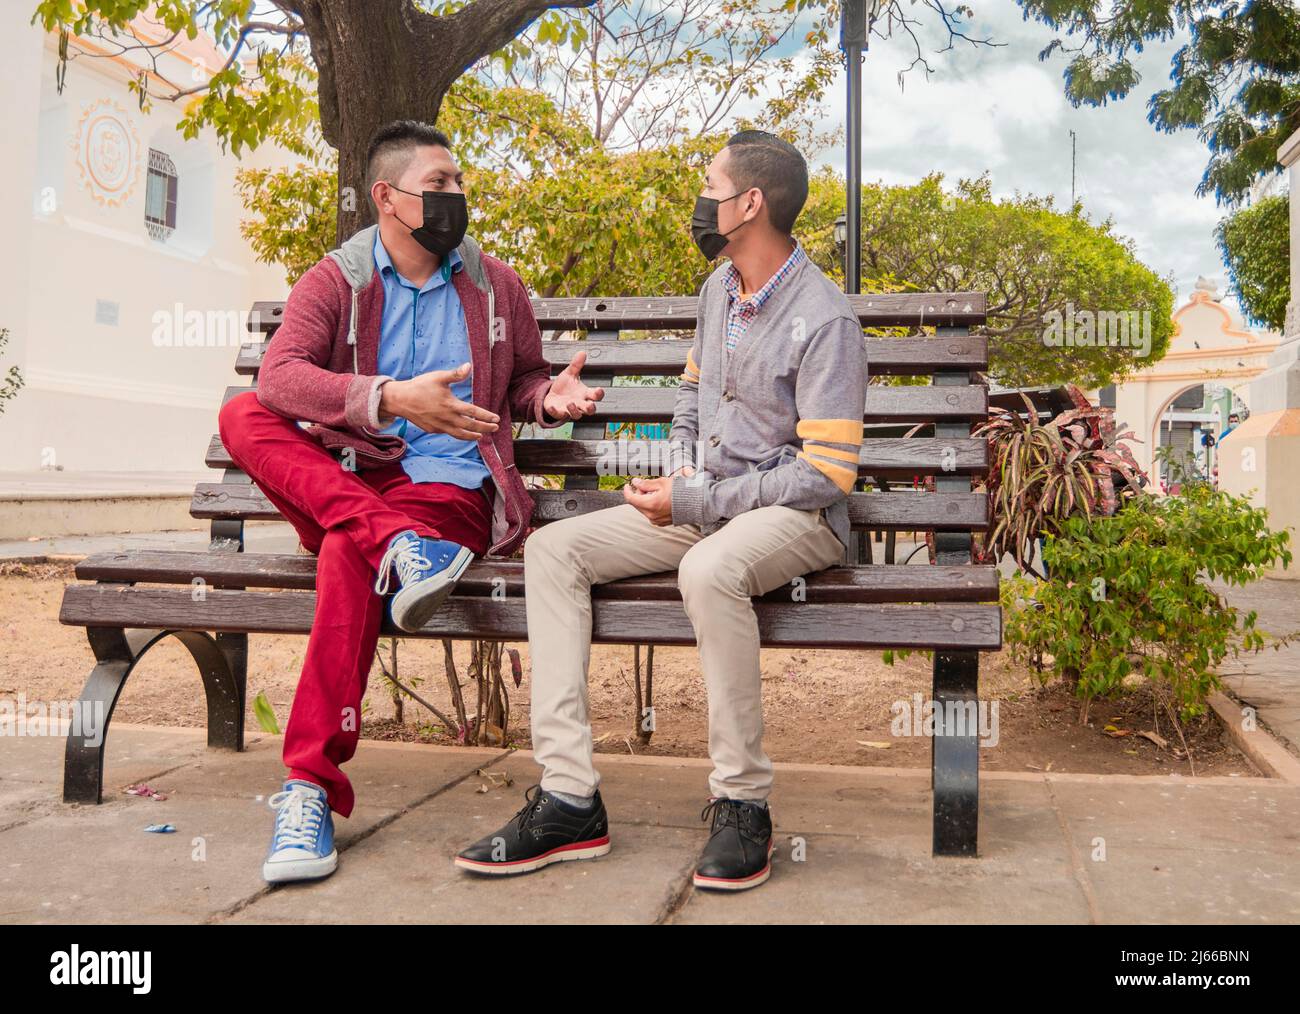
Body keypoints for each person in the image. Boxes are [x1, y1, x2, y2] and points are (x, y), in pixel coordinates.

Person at [455, 130, 868, 891]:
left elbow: (827, 474)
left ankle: (743, 805)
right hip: (704, 505)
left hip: (795, 518)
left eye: (711, 185)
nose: (700, 200)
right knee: (552, 550)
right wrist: (679, 467)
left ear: (750, 203)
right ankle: (569, 798)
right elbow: (689, 394)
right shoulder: (719, 293)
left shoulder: (825, 317)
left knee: (709, 570)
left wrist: (699, 497)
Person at [218, 120, 603, 884]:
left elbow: (525, 378)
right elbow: (281, 379)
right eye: (439, 185)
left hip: (444, 491)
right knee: (241, 413)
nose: (457, 195)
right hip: (352, 481)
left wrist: (547, 398)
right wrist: (390, 398)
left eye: (459, 182)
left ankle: (307, 788)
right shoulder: (338, 279)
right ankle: (391, 540)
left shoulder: (494, 285)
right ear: (387, 198)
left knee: (345, 550)